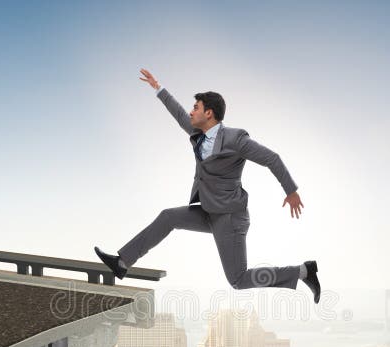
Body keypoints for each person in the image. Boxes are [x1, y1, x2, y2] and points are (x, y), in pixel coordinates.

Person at [94, 68, 321, 303]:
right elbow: (178, 113)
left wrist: (291, 191)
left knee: (238, 280)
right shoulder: (197, 132)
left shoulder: (235, 139)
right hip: (208, 209)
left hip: (230, 217)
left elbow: (271, 158)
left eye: (196, 108)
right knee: (168, 217)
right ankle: (121, 263)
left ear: (209, 113)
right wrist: (158, 88)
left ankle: (304, 271)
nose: (191, 112)